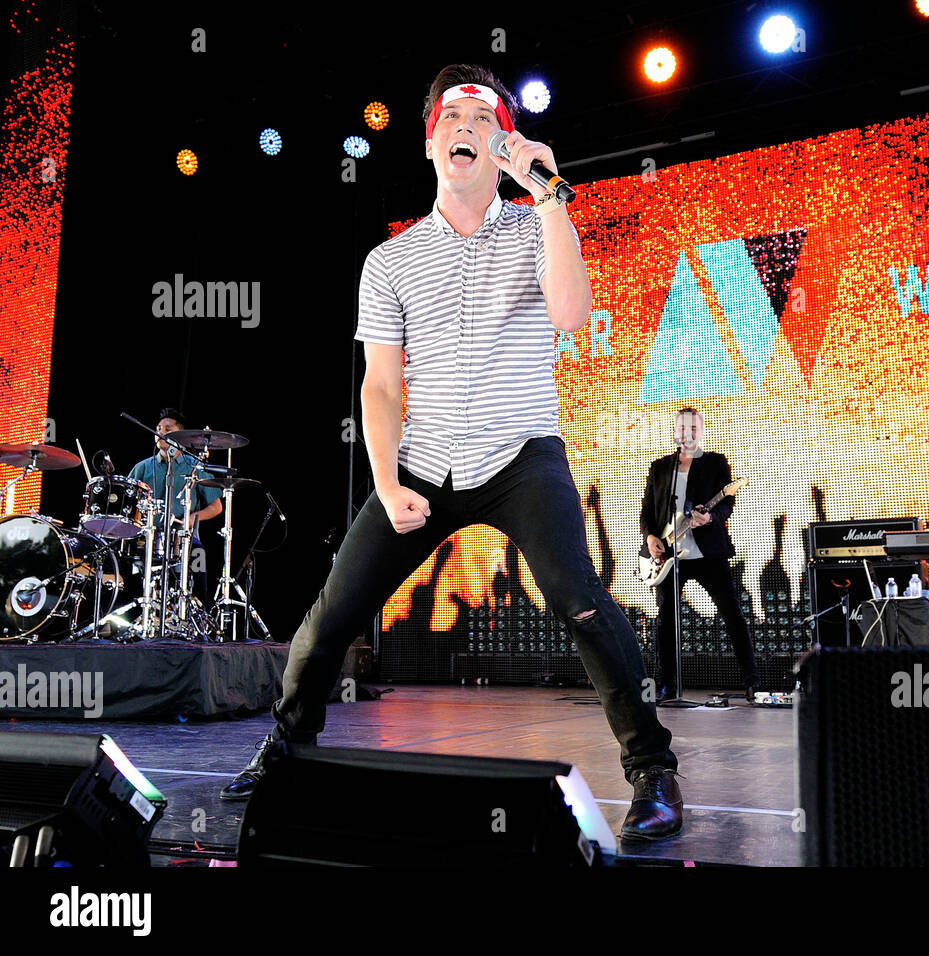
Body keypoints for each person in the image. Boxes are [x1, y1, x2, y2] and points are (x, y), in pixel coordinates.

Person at [219, 65, 682, 841]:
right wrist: (387, 481)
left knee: (584, 601)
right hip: (425, 464)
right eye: (451, 118)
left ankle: (653, 772)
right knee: (330, 616)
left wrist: (551, 194)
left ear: (503, 142)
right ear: (431, 140)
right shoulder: (390, 261)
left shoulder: (540, 223)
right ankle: (287, 745)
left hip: (521, 455)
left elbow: (571, 315)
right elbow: (379, 388)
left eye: (482, 118)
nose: (464, 127)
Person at [641, 407, 758, 701]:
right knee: (665, 621)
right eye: (682, 427)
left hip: (708, 553)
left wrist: (711, 517)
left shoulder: (716, 463)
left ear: (701, 431)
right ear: (675, 431)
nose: (687, 433)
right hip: (668, 557)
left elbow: (725, 505)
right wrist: (651, 536)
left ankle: (752, 681)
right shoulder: (660, 467)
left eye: (693, 427)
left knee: (732, 614)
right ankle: (665, 684)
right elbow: (647, 510)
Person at [127, 407, 222, 603]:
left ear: (180, 435)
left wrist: (189, 519)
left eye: (167, 429)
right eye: (158, 428)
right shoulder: (142, 467)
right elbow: (128, 503)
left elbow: (216, 507)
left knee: (199, 562)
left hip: (185, 538)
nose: (160, 433)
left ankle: (197, 618)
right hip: (148, 538)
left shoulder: (195, 466)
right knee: (128, 565)